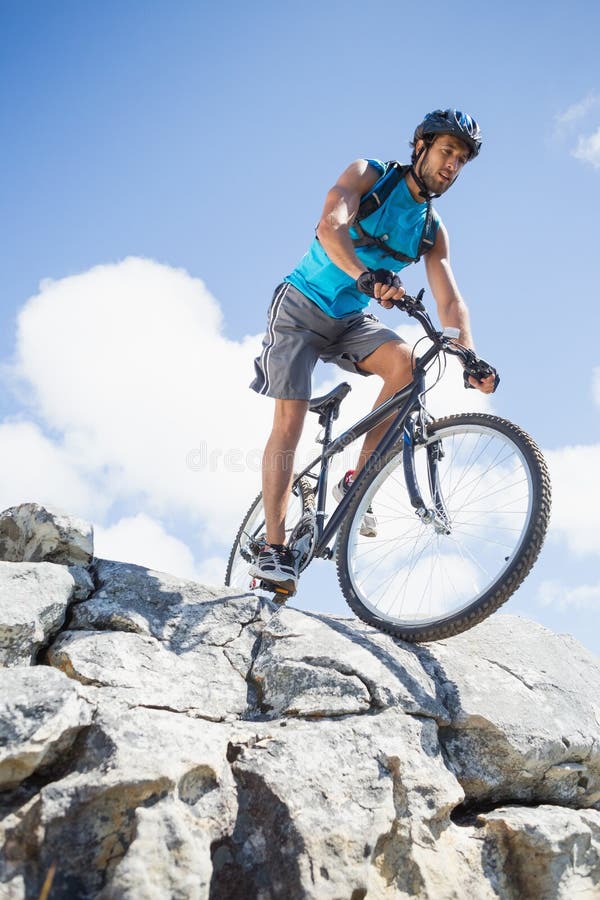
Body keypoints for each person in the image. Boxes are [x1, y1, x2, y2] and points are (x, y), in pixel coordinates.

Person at [249, 109, 497, 591]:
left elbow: (449, 297)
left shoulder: (431, 229)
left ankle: (355, 481)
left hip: (348, 320)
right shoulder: (371, 175)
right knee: (290, 421)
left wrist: (469, 352)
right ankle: (273, 547)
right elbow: (329, 225)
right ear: (421, 146)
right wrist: (364, 274)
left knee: (407, 365)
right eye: (447, 151)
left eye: (462, 160)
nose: (453, 165)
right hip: (301, 306)